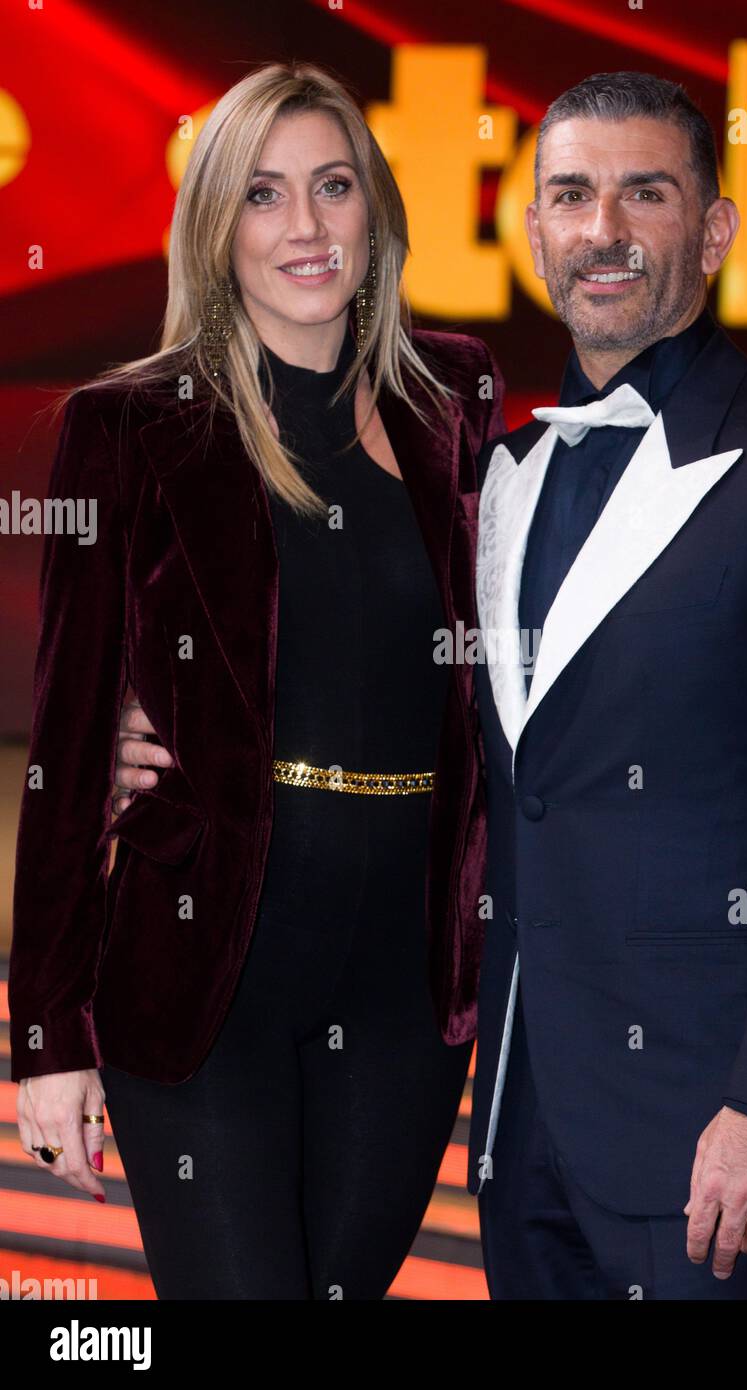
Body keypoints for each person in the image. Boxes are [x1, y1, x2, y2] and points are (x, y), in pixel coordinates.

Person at [9, 61, 504, 1299]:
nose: (305, 227)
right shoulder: (128, 426)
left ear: (374, 208)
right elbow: (70, 756)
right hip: (199, 976)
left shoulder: (457, 403)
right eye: (264, 195)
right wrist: (44, 1035)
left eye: (333, 187)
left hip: (404, 990)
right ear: (216, 225)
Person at [465, 72, 747, 1300]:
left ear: (712, 232)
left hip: (714, 1144)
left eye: (644, 193)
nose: (602, 228)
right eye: (571, 194)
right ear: (536, 233)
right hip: (525, 1123)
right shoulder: (509, 472)